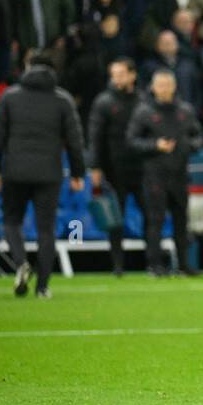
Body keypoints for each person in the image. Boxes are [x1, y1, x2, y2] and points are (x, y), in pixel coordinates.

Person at [0, 52, 86, 299]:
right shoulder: (62, 99)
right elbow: (75, 140)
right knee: (46, 229)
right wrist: (77, 172)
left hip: (15, 171)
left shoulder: (10, 97)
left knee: (11, 221)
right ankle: (43, 286)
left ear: (27, 67)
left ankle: (21, 262)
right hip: (49, 172)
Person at [127, 69, 203, 276]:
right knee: (155, 220)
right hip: (154, 175)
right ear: (153, 87)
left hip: (179, 173)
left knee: (182, 220)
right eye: (160, 85)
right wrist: (155, 145)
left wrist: (186, 145)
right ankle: (155, 264)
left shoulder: (185, 111)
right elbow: (132, 141)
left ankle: (184, 264)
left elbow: (198, 138)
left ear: (174, 86)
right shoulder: (144, 112)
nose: (164, 89)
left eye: (167, 84)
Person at [87, 57, 143, 276]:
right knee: (114, 218)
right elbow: (95, 137)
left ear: (132, 75)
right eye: (114, 74)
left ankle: (154, 262)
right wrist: (96, 167)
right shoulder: (104, 102)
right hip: (113, 169)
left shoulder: (142, 99)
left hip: (141, 167)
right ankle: (118, 264)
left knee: (151, 214)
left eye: (121, 74)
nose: (117, 78)